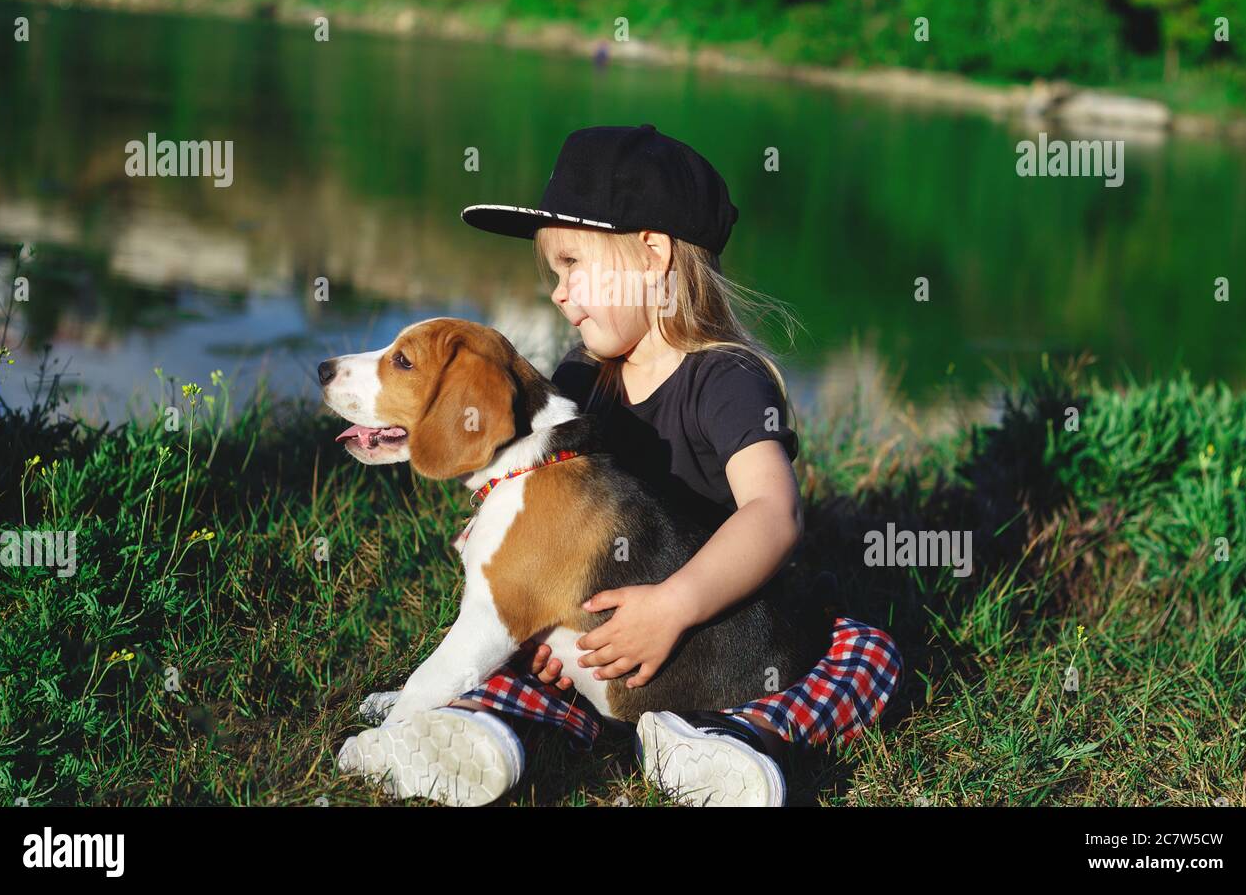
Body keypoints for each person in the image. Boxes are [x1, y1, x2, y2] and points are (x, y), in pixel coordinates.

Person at [362, 124, 900, 806]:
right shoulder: (583, 374)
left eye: (573, 265)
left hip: (720, 639)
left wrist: (674, 606)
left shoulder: (727, 379)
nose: (558, 292)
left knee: (865, 652)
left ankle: (737, 740)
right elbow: (533, 497)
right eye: (554, 273)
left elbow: (775, 512)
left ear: (651, 254)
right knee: (519, 656)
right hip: (597, 649)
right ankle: (480, 737)